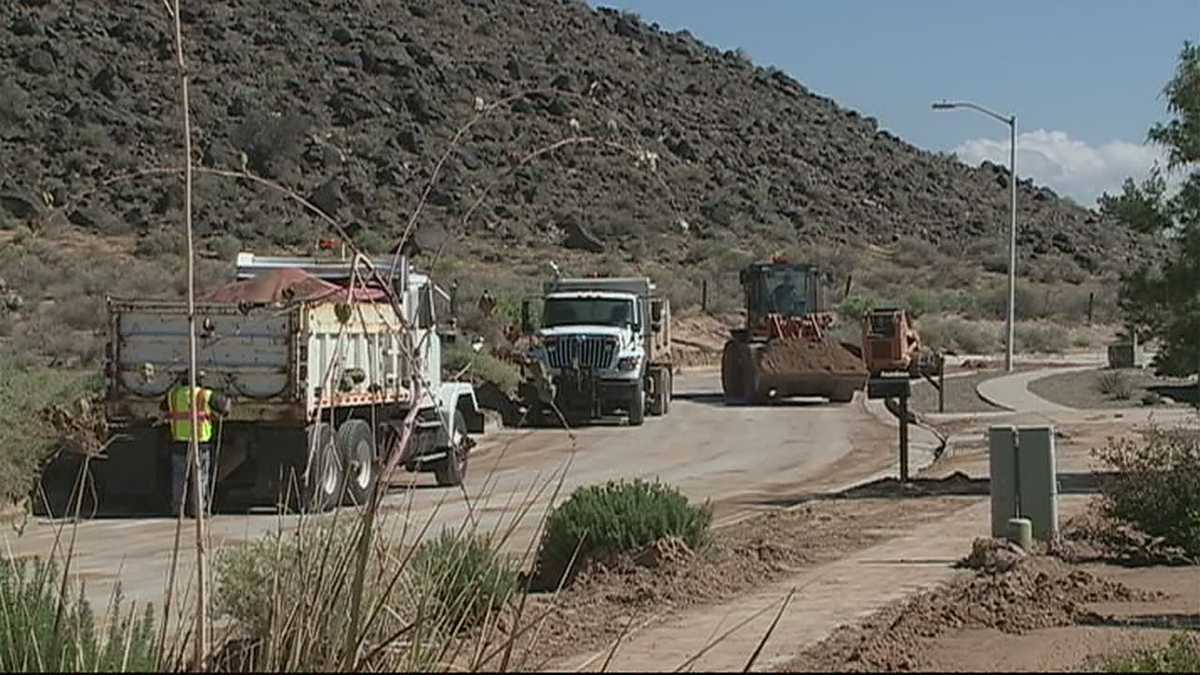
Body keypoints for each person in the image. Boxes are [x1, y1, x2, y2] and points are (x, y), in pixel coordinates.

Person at [161, 371, 234, 517]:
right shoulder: (204, 395)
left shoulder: (174, 395)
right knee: (200, 478)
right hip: (200, 444)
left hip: (179, 442)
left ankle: (178, 510)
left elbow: (163, 407)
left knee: (179, 478)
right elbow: (225, 408)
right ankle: (199, 510)